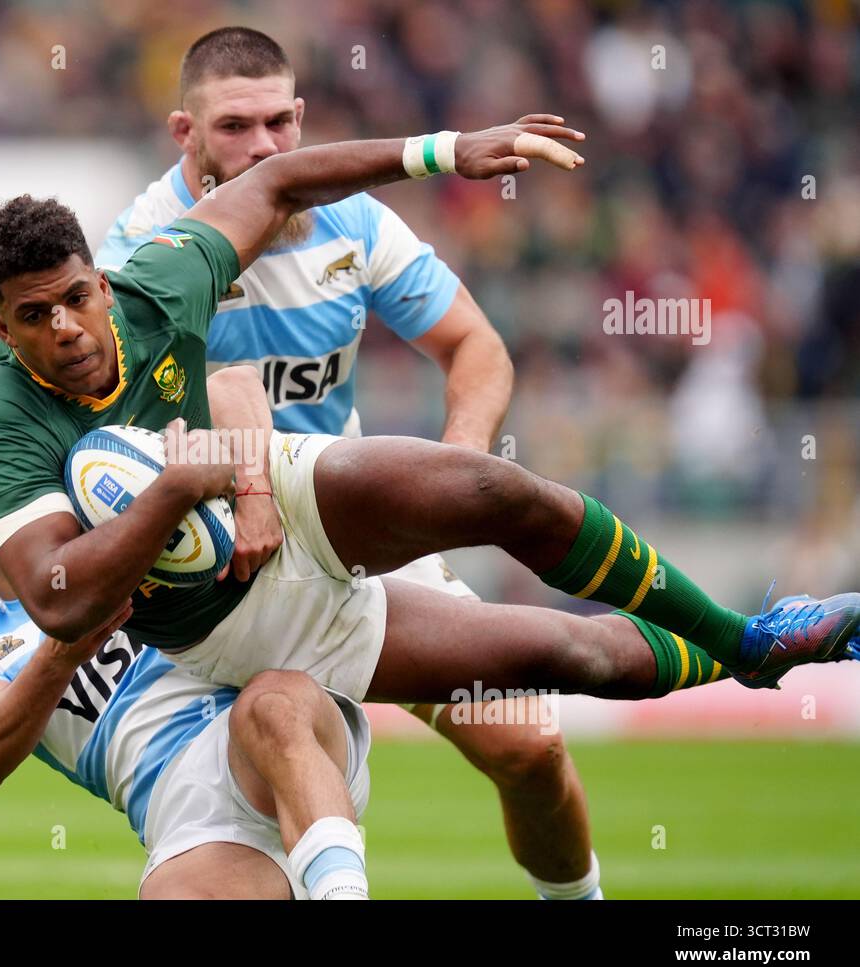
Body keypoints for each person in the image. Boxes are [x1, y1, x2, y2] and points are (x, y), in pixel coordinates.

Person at [0, 116, 860, 741]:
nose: (66, 328)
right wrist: (174, 492)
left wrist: (448, 151)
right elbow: (56, 596)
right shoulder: (2, 423)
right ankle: (743, 660)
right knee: (574, 654)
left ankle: (753, 639)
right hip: (233, 625)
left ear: (102, 283)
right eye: (35, 317)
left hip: (288, 492)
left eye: (77, 298)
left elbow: (276, 180)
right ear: (4, 330)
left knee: (487, 486)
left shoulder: (162, 277)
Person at [96, 26, 600, 899]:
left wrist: (461, 468)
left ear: (300, 117)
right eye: (233, 128)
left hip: (353, 546)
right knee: (263, 780)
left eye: (277, 125)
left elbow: (475, 346)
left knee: (532, 744)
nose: (263, 149)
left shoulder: (354, 221)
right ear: (184, 132)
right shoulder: (146, 245)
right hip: (218, 567)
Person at [0, 401, 372, 899]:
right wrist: (61, 652)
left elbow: (234, 386)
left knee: (270, 706)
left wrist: (245, 487)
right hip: (189, 823)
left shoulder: (120, 533)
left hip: (281, 738)